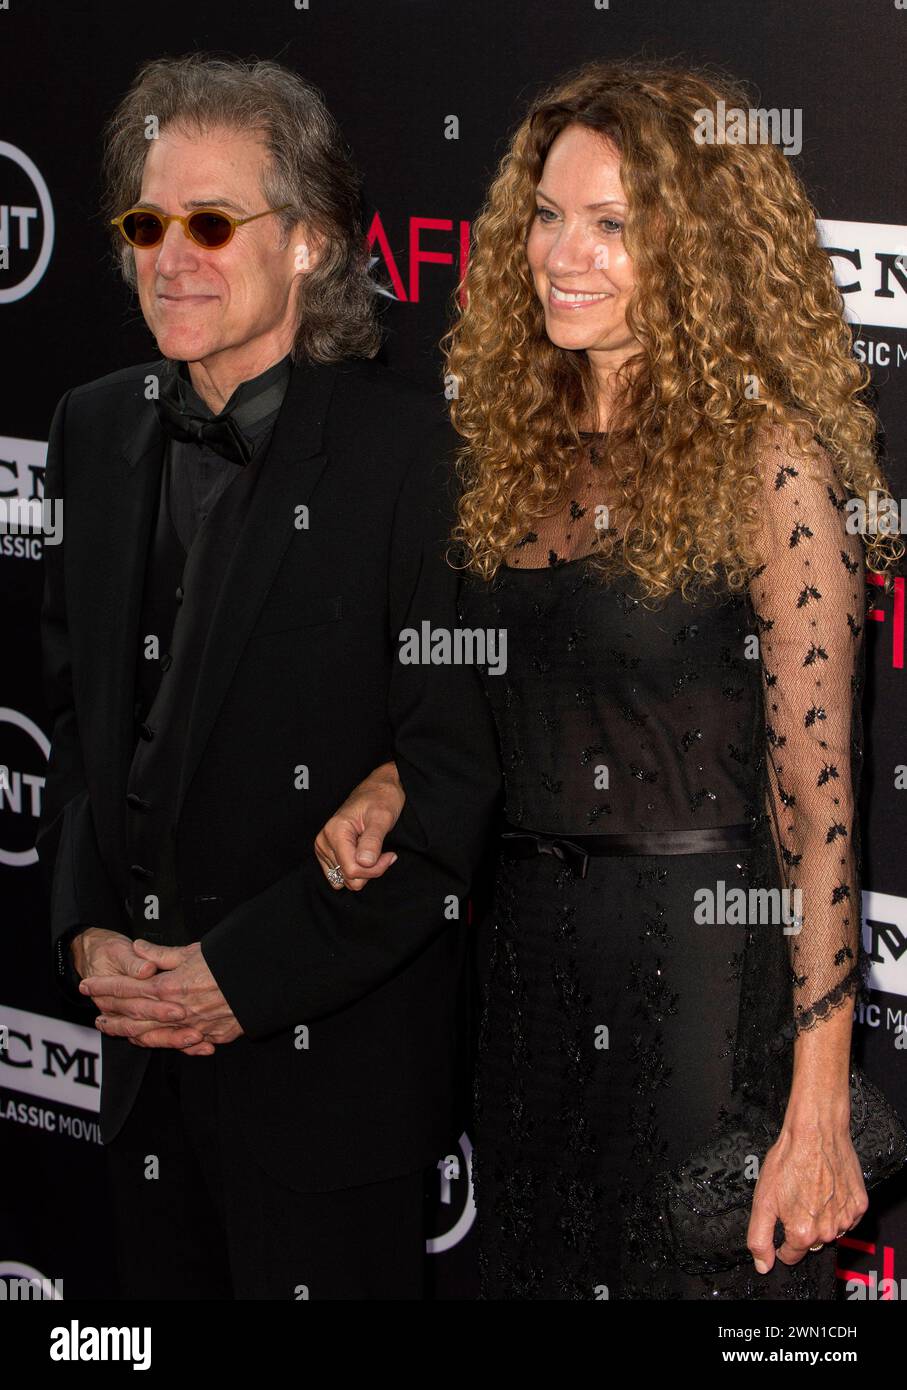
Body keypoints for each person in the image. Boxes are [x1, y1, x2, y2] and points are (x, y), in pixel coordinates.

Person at [312, 59, 905, 1299]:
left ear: (696, 251)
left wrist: (817, 1105)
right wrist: (385, 781)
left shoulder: (770, 460)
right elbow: (501, 700)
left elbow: (817, 806)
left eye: (613, 224)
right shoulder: (506, 450)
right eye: (546, 213)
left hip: (701, 981)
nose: (560, 253)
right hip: (525, 978)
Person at [35, 53, 501, 1301]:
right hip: (137, 1065)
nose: (168, 256)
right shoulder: (92, 424)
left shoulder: (415, 459)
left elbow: (450, 781)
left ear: (307, 244)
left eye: (210, 222)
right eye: (145, 223)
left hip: (327, 1082)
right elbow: (78, 713)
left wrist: (240, 979)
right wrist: (87, 928)